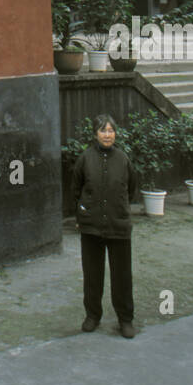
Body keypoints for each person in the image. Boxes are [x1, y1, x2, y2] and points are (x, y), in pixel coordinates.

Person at [71, 116, 137, 339]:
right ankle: (92, 315)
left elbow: (131, 189)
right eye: (103, 130)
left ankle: (125, 319)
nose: (107, 134)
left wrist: (119, 210)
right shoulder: (85, 159)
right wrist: (83, 213)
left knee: (122, 276)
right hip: (91, 227)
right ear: (95, 134)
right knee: (92, 274)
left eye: (111, 130)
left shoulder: (123, 159)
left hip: (119, 226)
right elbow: (76, 188)